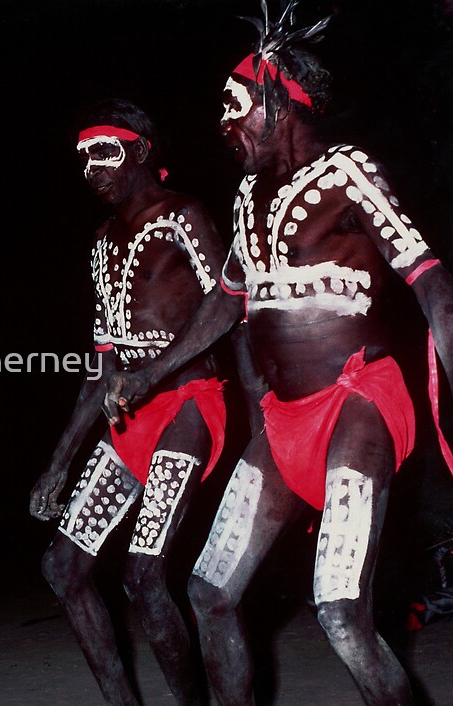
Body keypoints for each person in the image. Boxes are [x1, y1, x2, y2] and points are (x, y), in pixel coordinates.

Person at [102, 11, 453, 706]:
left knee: (341, 615)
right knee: (209, 593)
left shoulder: (348, 171)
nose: (224, 126)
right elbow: (225, 302)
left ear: (275, 101)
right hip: (283, 421)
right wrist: (149, 373)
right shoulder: (246, 197)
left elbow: (429, 276)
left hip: (356, 403)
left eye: (234, 109)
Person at [29, 99, 228, 705]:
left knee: (144, 575)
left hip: (188, 404)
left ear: (140, 150)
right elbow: (103, 364)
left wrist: (261, 406)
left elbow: (231, 305)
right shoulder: (101, 242)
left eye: (105, 153)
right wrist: (59, 463)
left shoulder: (183, 216)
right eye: (85, 158)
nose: (92, 169)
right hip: (129, 420)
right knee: (62, 567)